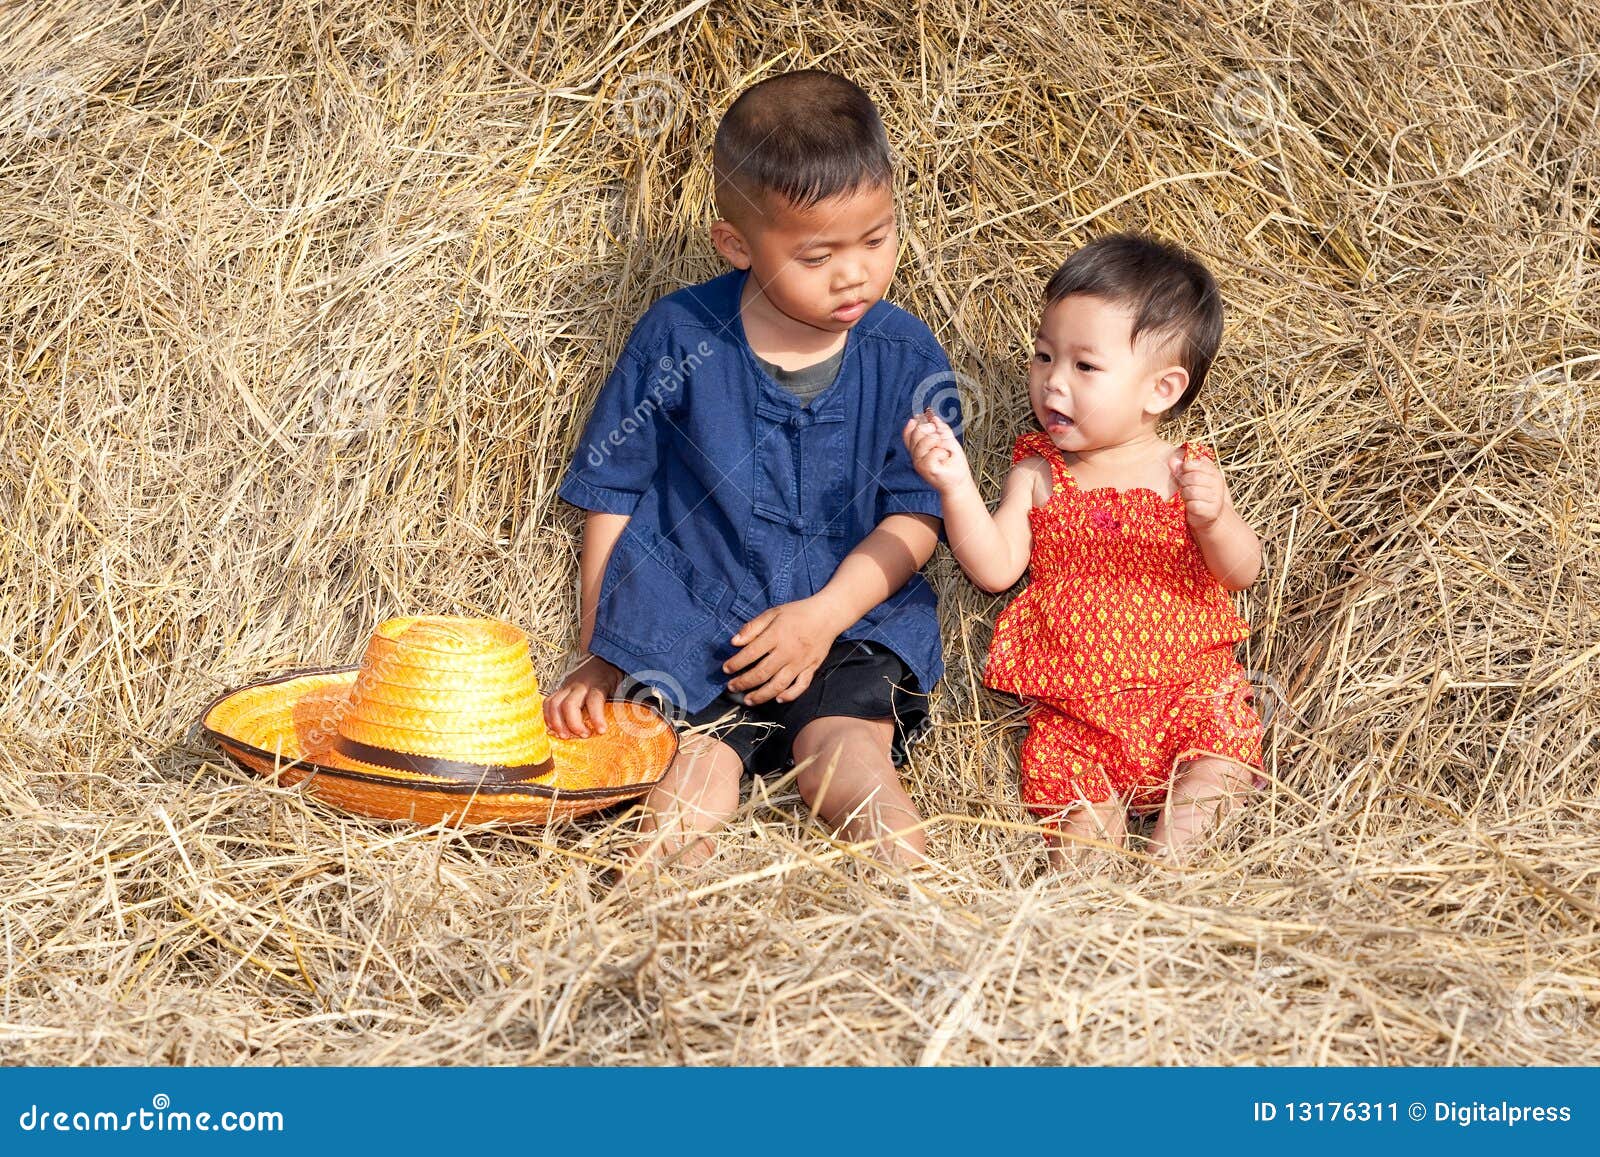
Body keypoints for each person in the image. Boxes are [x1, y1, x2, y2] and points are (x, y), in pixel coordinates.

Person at [546, 70, 961, 872]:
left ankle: (918, 902)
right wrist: (606, 643)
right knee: (696, 766)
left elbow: (916, 518)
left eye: (876, 239)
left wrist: (822, 616)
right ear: (736, 244)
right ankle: (655, 922)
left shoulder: (906, 355)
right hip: (695, 623)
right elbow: (614, 493)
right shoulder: (677, 337)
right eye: (818, 254)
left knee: (846, 760)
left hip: (847, 625)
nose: (855, 274)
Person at [904, 232, 1268, 871]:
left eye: (1084, 366)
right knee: (1082, 826)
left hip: (1188, 696)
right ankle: (1094, 901)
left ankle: (1169, 877)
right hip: (1078, 716)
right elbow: (994, 570)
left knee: (1213, 776)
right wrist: (957, 486)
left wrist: (1214, 522)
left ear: (1162, 390)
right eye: (1044, 357)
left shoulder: (1185, 472)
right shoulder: (1038, 473)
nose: (1052, 383)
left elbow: (1242, 574)